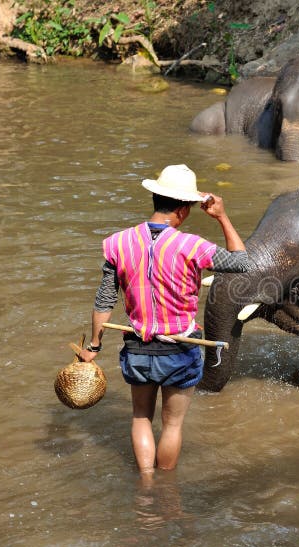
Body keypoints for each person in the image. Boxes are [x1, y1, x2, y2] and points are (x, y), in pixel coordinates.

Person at [78, 164, 249, 480]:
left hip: (138, 347)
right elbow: (242, 263)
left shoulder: (118, 243)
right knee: (172, 424)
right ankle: (165, 490)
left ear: (155, 198)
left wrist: (94, 346)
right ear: (183, 211)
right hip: (181, 348)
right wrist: (222, 216)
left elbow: (104, 300)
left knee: (141, 417)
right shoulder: (192, 246)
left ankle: (145, 482)